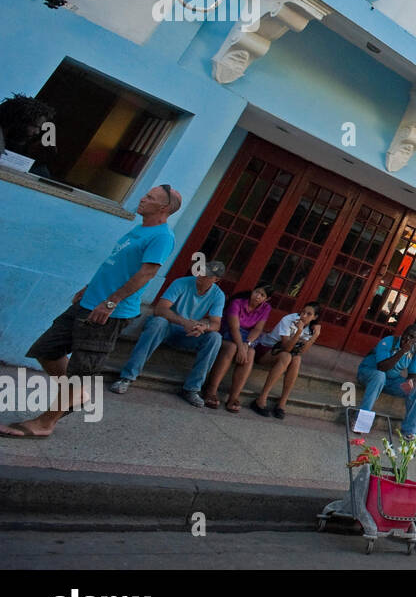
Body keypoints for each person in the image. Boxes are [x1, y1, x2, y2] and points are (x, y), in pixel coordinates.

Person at [2, 184, 180, 438]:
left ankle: (45, 423)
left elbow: (147, 272)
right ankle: (76, 395)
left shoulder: (162, 236)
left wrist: (111, 302)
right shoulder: (140, 228)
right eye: (145, 194)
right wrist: (88, 288)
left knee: (81, 369)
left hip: (109, 312)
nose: (142, 198)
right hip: (88, 302)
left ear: (163, 208)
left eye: (150, 197)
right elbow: (116, 264)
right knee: (47, 350)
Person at [110, 261, 226, 407]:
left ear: (216, 280)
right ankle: (127, 377)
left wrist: (204, 327)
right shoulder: (181, 283)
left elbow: (216, 324)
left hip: (189, 334)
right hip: (168, 327)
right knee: (158, 322)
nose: (201, 275)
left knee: (215, 338)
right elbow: (160, 309)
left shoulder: (218, 295)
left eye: (207, 275)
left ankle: (192, 389)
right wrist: (184, 322)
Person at [201, 284, 273, 412]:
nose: (258, 296)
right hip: (228, 332)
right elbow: (233, 327)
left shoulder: (266, 308)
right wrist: (241, 346)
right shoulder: (237, 303)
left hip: (246, 338)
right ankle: (211, 390)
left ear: (266, 299)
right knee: (232, 348)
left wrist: (247, 345)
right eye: (257, 292)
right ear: (252, 291)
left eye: (262, 295)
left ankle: (233, 397)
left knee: (250, 353)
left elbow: (258, 329)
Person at [250, 300, 322, 419]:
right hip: (265, 350)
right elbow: (287, 348)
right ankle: (261, 398)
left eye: (309, 314)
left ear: (315, 317)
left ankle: (282, 402)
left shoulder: (310, 328)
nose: (304, 316)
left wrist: (315, 336)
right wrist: (298, 331)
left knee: (297, 359)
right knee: (287, 356)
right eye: (303, 312)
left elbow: (301, 352)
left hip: (282, 356)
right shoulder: (289, 320)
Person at [356, 324, 416, 439]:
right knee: (380, 376)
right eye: (406, 334)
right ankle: (360, 422)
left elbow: (413, 373)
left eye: (412, 337)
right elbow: (382, 367)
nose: (407, 338)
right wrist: (402, 351)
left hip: (390, 382)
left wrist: (411, 381)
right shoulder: (388, 341)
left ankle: (409, 431)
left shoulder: (415, 350)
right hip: (368, 374)